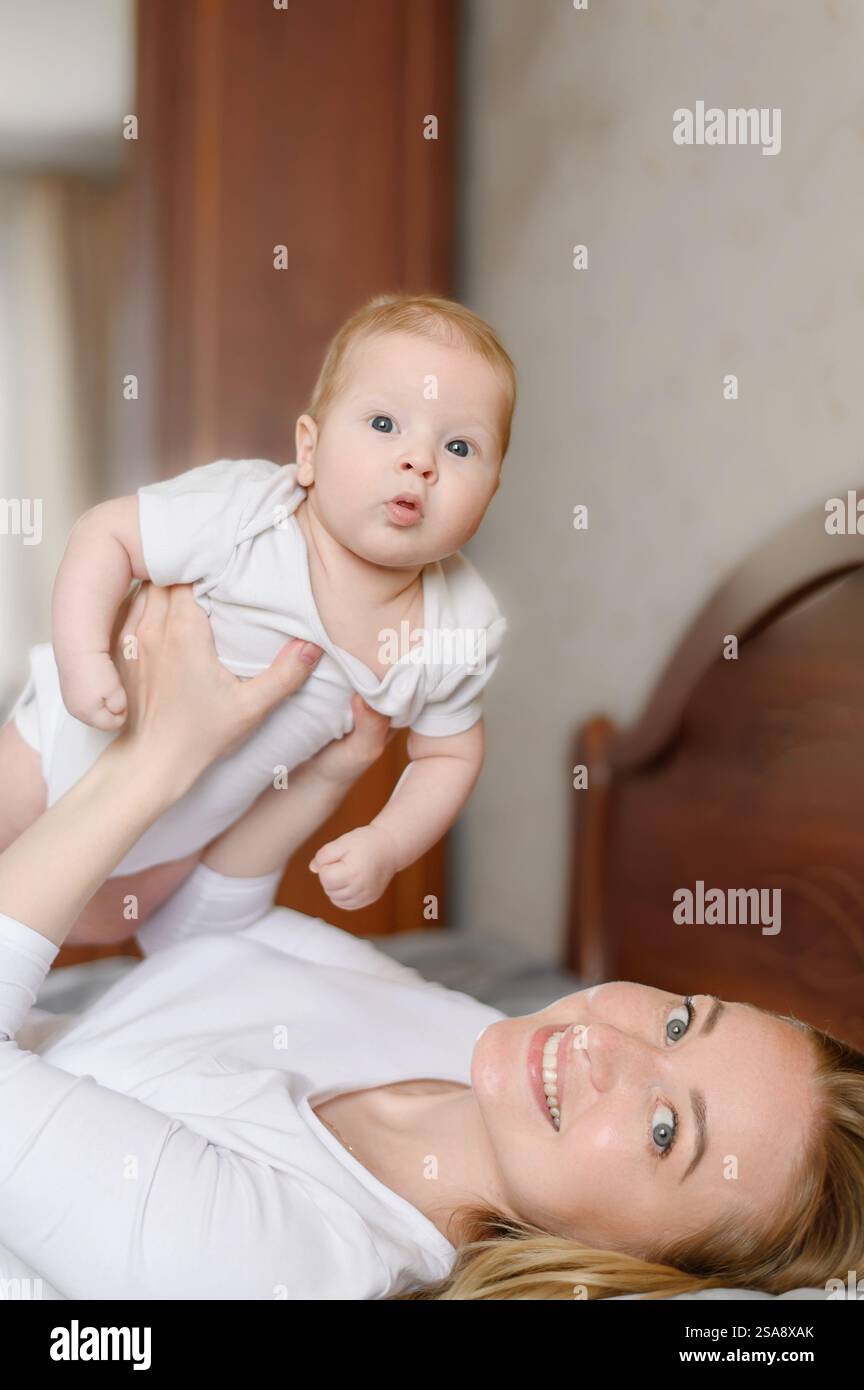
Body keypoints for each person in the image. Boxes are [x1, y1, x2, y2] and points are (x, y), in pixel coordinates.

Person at [0, 584, 862, 1301]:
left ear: (644, 1266)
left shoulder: (291, 1265)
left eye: (666, 1129)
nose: (604, 1046)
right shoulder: (479, 1049)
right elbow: (212, 947)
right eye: (679, 1023)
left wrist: (152, 764)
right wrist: (327, 776)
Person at [0, 294, 513, 942]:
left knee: (100, 927)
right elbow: (106, 533)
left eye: (460, 445)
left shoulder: (459, 626)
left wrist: (387, 842)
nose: (420, 460)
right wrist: (84, 661)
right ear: (309, 450)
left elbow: (450, 755)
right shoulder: (247, 511)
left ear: (491, 493)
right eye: (385, 423)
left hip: (181, 835)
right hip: (55, 748)